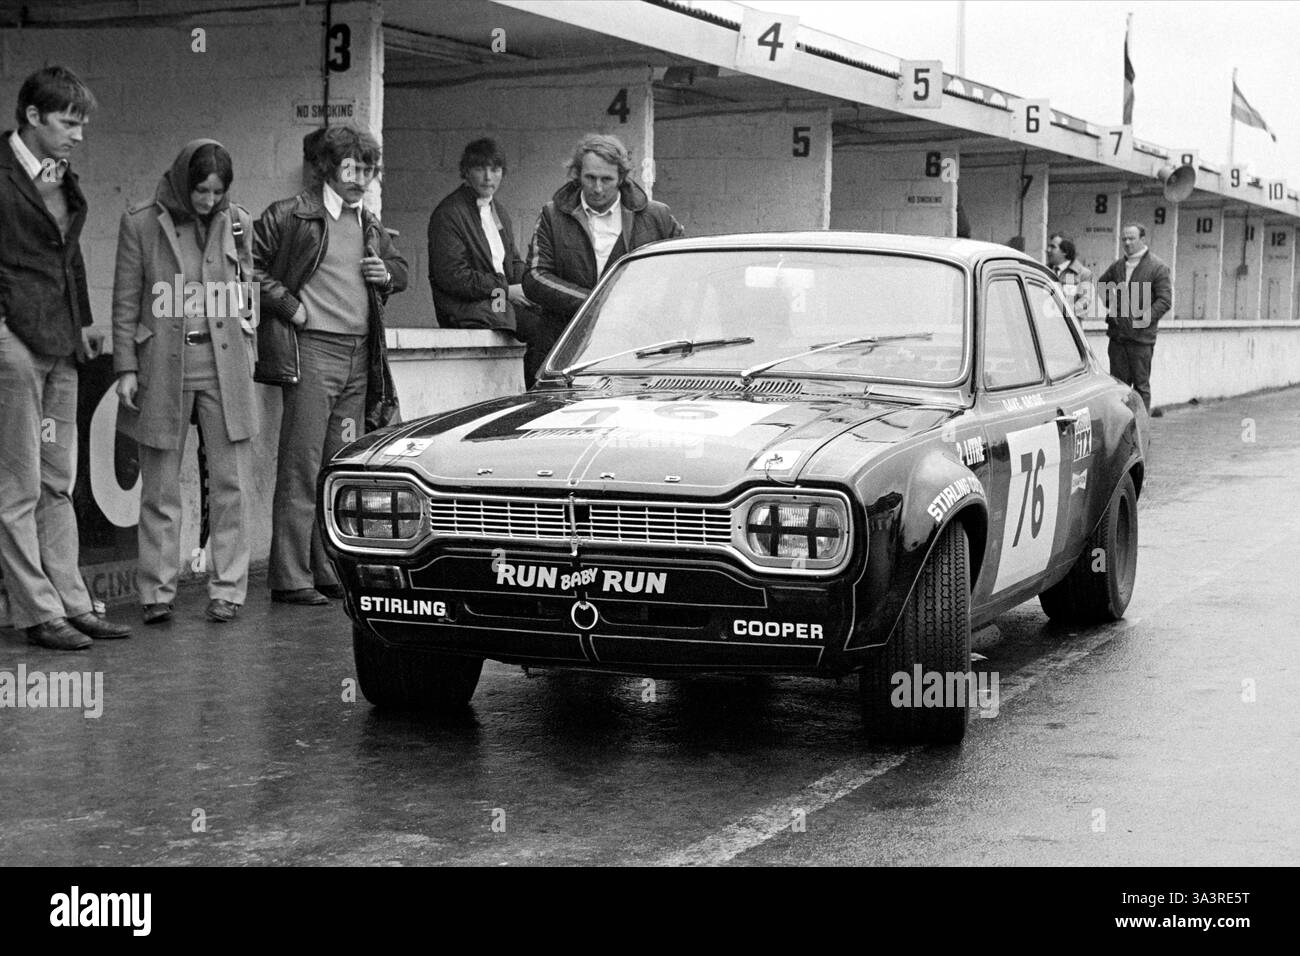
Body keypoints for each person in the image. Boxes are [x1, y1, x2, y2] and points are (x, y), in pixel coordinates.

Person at [0, 66, 131, 650]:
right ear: (32, 116)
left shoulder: (60, 175)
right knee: (18, 483)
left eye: (82, 124)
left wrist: (82, 323)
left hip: (60, 340)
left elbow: (68, 255)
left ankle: (73, 603)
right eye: (67, 122)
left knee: (57, 479)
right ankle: (37, 611)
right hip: (13, 340)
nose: (77, 134)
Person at [254, 124, 408, 606]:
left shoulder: (370, 223)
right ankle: (289, 577)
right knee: (301, 466)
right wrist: (288, 306)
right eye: (350, 169)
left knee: (338, 467)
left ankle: (327, 570)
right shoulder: (291, 213)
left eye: (368, 170)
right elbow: (246, 267)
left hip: (359, 356)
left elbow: (401, 271)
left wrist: (386, 274)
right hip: (313, 351)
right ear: (327, 168)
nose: (359, 179)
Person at [111, 140, 259, 625]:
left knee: (232, 484)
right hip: (162, 366)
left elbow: (248, 290)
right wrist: (126, 368)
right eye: (201, 191)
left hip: (224, 366)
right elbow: (126, 300)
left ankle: (228, 590)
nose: (209, 200)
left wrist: (250, 350)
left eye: (217, 191)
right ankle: (156, 592)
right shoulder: (140, 222)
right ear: (182, 182)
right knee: (159, 486)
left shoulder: (238, 221)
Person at [523, 133, 684, 368]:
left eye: (606, 179)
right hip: (562, 350)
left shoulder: (657, 217)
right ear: (577, 174)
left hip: (637, 349)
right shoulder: (552, 215)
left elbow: (685, 274)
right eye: (590, 178)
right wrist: (595, 303)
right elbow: (534, 278)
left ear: (621, 178)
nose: (597, 188)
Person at [428, 138, 549, 386]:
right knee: (540, 330)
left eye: (495, 169)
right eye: (479, 169)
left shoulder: (497, 210)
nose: (488, 177)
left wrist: (533, 288)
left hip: (496, 300)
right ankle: (534, 396)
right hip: (468, 306)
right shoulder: (449, 213)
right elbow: (452, 277)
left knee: (552, 317)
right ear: (466, 171)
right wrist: (505, 291)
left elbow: (512, 262)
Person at [1097, 223, 1171, 413]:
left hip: (1141, 340)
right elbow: (1102, 284)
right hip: (1118, 338)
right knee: (1118, 388)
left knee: (1140, 387)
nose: (1127, 243)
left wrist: (1143, 319)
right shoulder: (1118, 266)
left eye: (1132, 238)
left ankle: (1140, 427)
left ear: (1143, 239)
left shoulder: (1158, 267)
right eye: (1124, 239)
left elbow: (1164, 300)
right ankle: (1122, 428)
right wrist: (1113, 306)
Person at [1046, 233, 1094, 318]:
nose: (1048, 250)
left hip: (1067, 325)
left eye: (1053, 247)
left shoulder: (1083, 274)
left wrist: (1061, 314)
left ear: (1065, 252)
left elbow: (1085, 303)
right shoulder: (1044, 271)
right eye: (1048, 246)